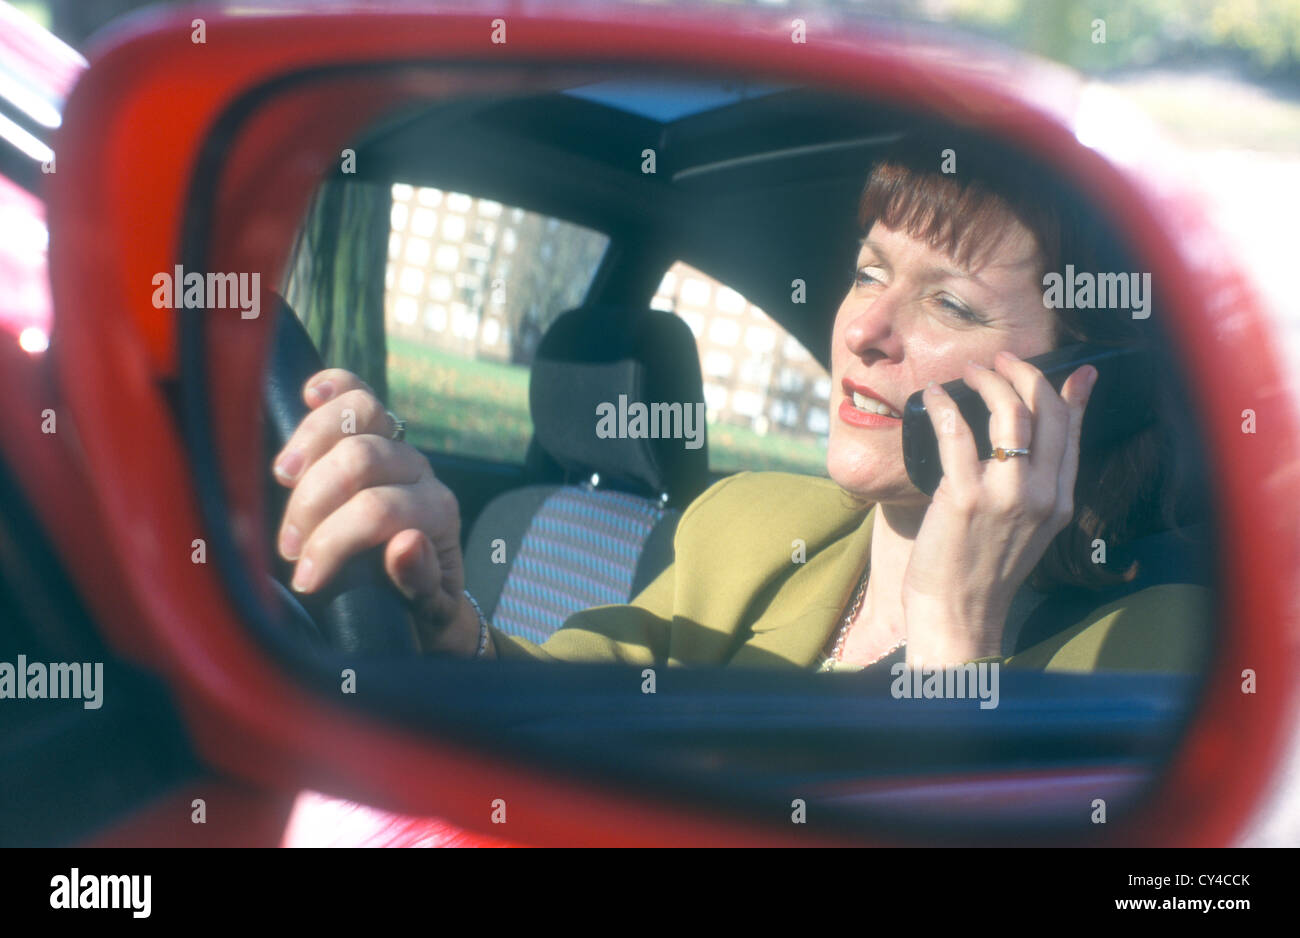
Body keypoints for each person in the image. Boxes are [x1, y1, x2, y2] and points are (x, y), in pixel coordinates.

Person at [269, 133, 1212, 674]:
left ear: (1087, 387)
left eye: (948, 303)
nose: (863, 329)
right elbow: (568, 718)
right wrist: (446, 623)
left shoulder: (1158, 650)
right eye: (868, 273)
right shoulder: (743, 526)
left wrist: (954, 640)